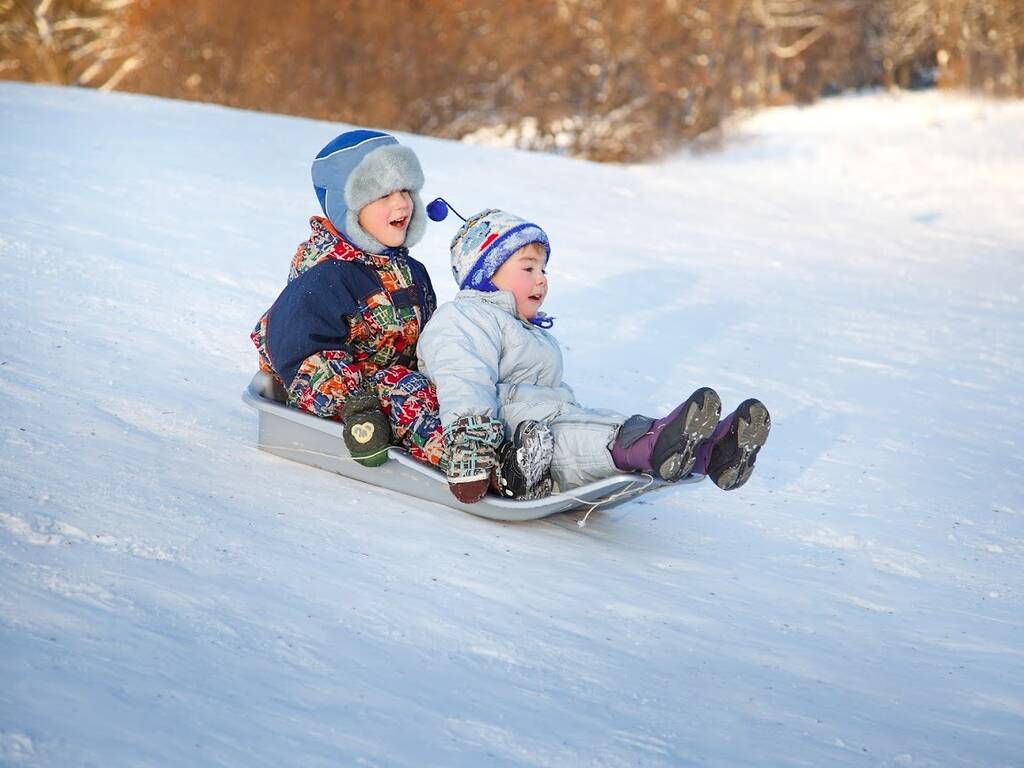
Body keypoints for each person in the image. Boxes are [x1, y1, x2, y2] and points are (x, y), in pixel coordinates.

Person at [417, 204, 771, 503]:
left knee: (609, 425)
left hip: (553, 418)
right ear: (485, 276)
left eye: (543, 270)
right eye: (528, 268)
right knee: (590, 441)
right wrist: (474, 447)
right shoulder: (463, 318)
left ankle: (712, 453)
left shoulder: (524, 327)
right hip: (518, 440)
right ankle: (659, 443)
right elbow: (463, 380)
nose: (541, 280)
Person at [250, 130, 445, 468]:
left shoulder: (412, 271)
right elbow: (303, 348)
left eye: (406, 190)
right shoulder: (327, 275)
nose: (401, 203)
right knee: (407, 390)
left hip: (400, 387)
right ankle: (474, 465)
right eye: (383, 194)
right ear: (347, 207)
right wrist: (356, 405)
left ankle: (507, 444)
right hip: (350, 403)